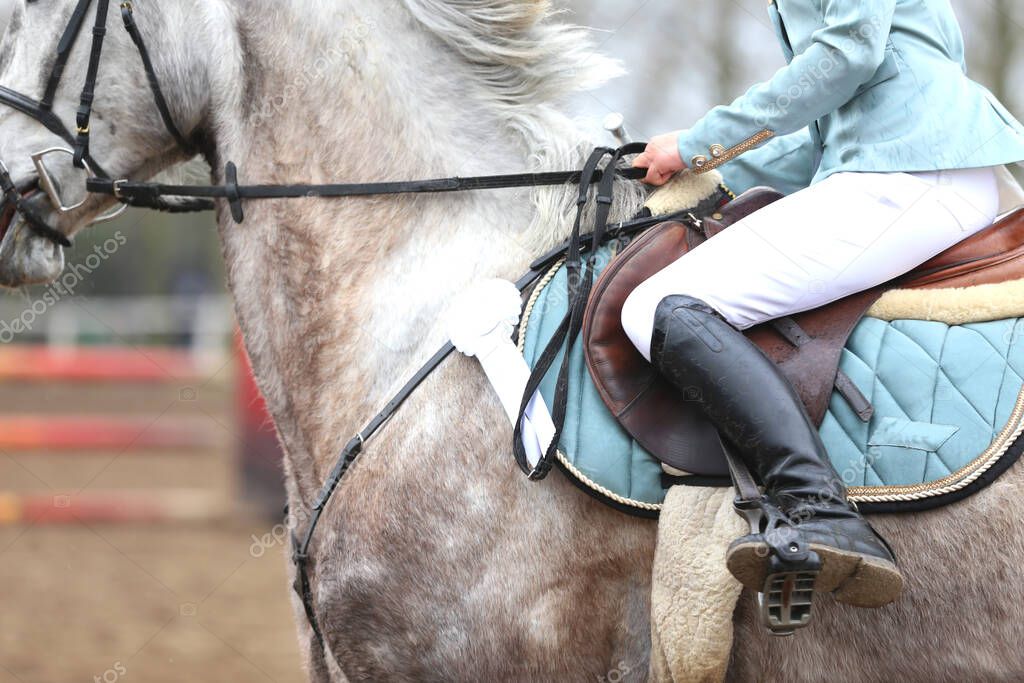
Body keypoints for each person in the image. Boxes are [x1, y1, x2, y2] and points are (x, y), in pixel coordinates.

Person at [625, 0, 1024, 607]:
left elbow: (848, 54)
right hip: (903, 164)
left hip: (910, 172)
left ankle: (818, 504)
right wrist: (701, 178)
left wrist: (701, 145)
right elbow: (830, 129)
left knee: (658, 303)